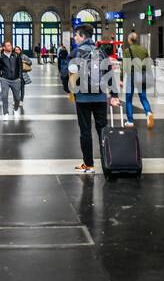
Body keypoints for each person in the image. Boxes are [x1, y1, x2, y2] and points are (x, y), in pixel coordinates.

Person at [66, 23, 119, 173]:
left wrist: (69, 90)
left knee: (85, 131)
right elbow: (109, 74)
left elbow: (66, 74)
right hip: (100, 97)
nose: (75, 37)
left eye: (76, 35)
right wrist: (114, 94)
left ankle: (88, 165)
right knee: (102, 130)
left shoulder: (75, 53)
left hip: (82, 98)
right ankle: (107, 162)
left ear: (82, 36)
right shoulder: (101, 52)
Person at [121, 31, 154, 129]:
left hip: (131, 75)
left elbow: (124, 65)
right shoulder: (144, 50)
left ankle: (130, 121)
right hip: (142, 76)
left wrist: (121, 78)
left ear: (130, 40)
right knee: (143, 97)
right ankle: (148, 113)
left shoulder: (127, 50)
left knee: (128, 98)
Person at [0, 41, 21, 119]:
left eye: (11, 45)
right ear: (4, 48)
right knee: (4, 96)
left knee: (17, 98)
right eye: (8, 46)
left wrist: (19, 77)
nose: (11, 47)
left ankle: (16, 110)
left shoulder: (16, 55)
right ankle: (5, 113)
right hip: (5, 79)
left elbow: (20, 66)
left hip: (16, 80)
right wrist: (0, 77)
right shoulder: (0, 57)